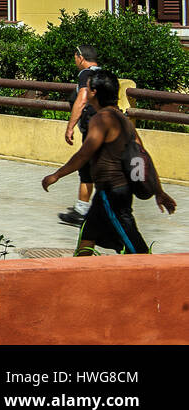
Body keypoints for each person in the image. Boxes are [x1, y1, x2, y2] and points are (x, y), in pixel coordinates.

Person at [42, 69, 176, 254]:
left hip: (112, 193)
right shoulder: (123, 119)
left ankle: (154, 279)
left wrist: (56, 175)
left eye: (87, 88)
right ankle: (81, 280)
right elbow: (142, 155)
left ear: (94, 92)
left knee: (135, 248)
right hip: (111, 193)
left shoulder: (101, 119)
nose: (85, 92)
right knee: (86, 240)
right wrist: (158, 191)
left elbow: (84, 154)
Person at [58, 45, 102, 226]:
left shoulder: (86, 75)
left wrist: (70, 127)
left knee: (86, 170)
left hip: (92, 128)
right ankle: (88, 209)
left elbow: (82, 98)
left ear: (81, 58)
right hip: (105, 126)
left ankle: (82, 212)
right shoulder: (104, 74)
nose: (75, 61)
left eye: (75, 57)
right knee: (96, 169)